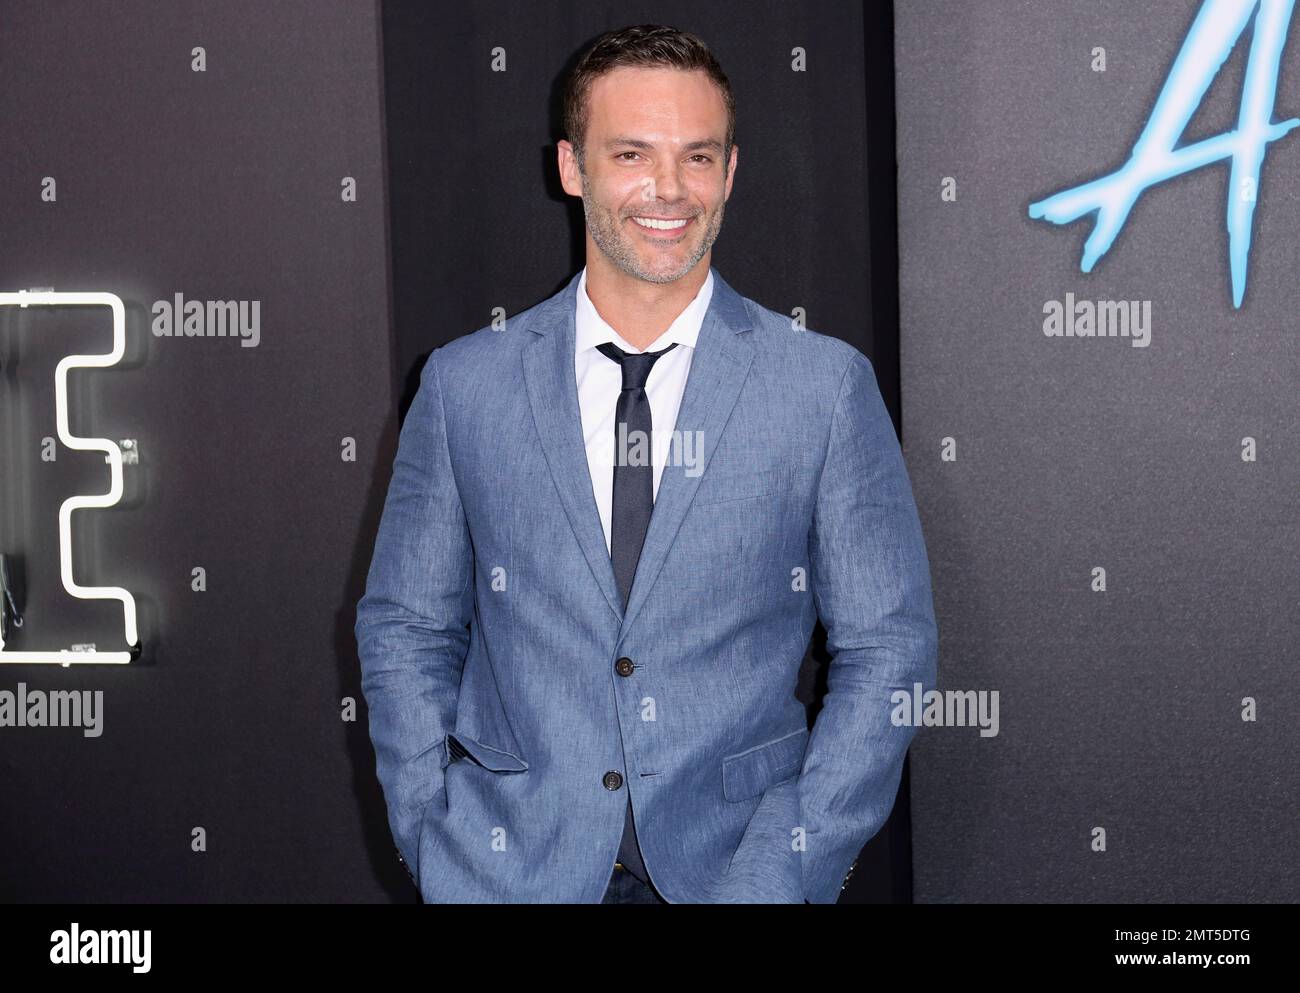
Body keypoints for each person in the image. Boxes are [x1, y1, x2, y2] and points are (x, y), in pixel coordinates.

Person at [355, 23, 937, 904]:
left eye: (698, 158)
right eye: (631, 152)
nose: (669, 189)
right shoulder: (464, 385)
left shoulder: (823, 388)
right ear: (571, 166)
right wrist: (439, 842)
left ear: (731, 172)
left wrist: (789, 861)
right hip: (512, 875)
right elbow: (406, 627)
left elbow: (890, 648)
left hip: (736, 872)